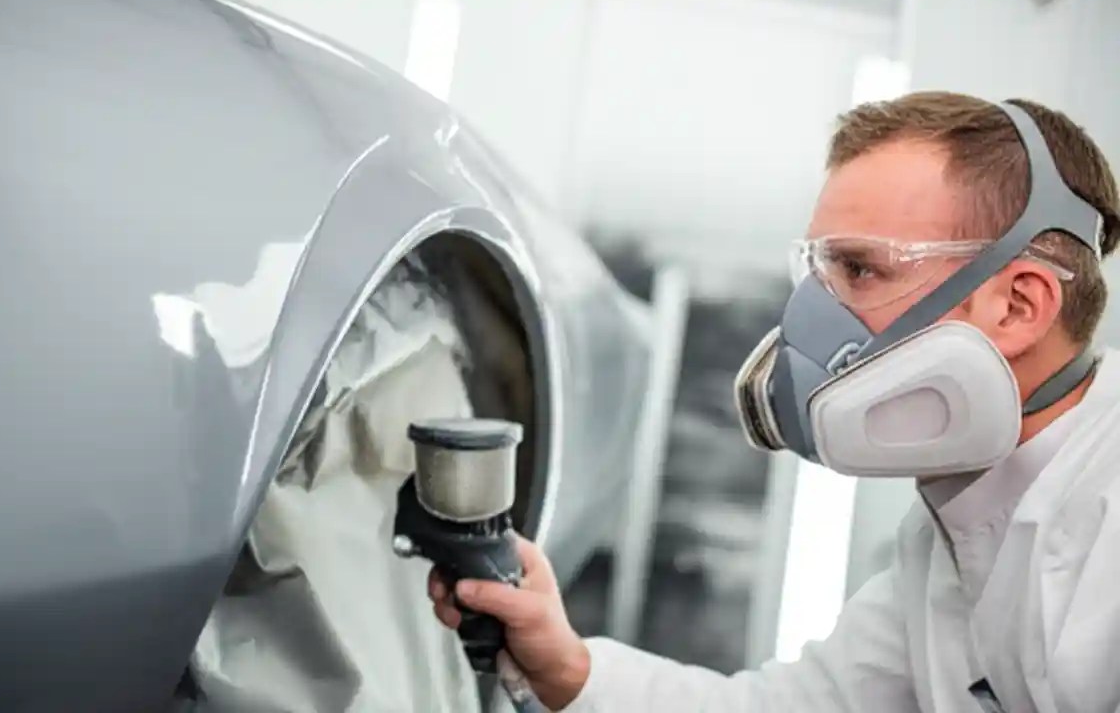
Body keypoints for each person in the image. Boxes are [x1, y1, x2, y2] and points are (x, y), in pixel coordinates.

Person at [428, 92, 1120, 712]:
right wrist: (567, 667)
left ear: (1019, 305)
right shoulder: (946, 535)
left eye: (859, 269)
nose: (810, 316)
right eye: (817, 272)